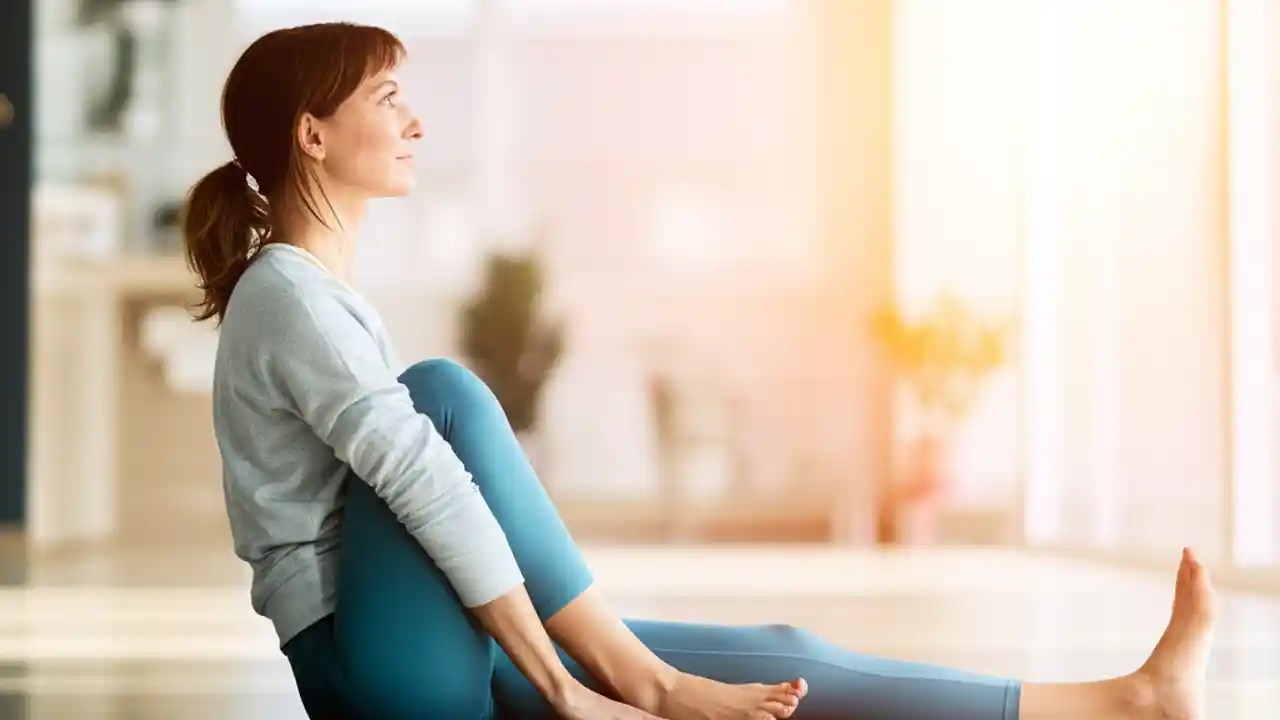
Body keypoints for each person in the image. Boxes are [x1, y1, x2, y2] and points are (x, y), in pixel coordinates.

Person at [185, 22, 1216, 720]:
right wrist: (584, 686)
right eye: (389, 98)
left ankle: (1117, 702)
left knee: (774, 649)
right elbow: (416, 479)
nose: (415, 122)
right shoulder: (287, 292)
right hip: (366, 666)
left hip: (410, 639)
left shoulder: (316, 293)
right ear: (311, 135)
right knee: (443, 397)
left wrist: (604, 673)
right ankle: (648, 684)